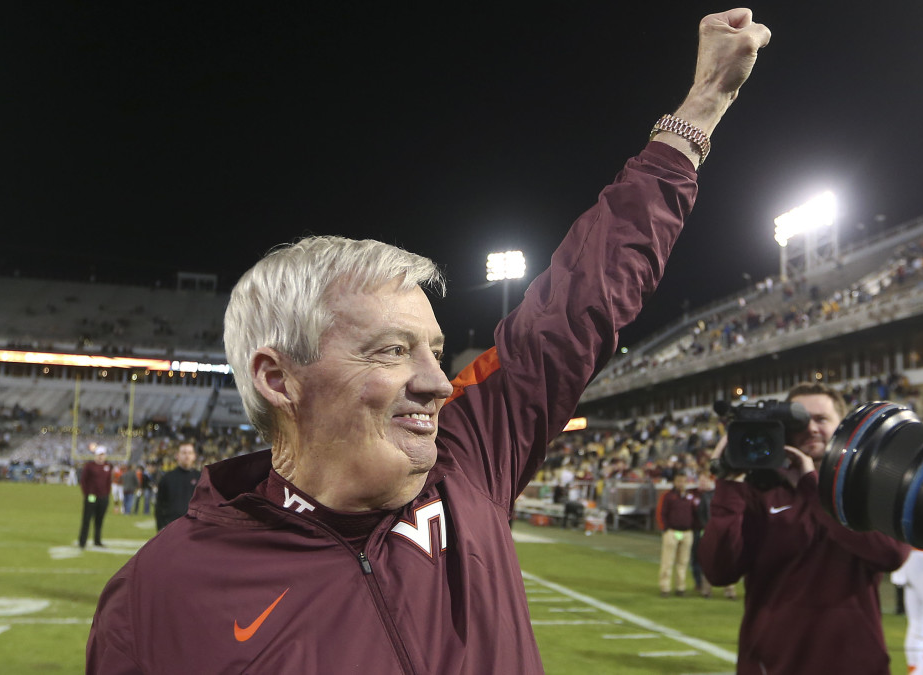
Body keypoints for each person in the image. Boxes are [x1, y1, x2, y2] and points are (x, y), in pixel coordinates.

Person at [88, 9, 770, 673]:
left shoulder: (468, 462)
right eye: (391, 350)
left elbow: (577, 305)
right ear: (278, 378)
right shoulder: (158, 598)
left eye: (435, 352)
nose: (439, 383)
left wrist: (702, 108)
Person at [698, 383, 911, 675]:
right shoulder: (761, 491)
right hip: (774, 665)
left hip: (856, 664)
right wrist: (729, 484)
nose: (811, 428)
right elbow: (718, 571)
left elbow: (891, 553)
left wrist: (811, 486)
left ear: (843, 427)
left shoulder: (864, 488)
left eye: (822, 419)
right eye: (799, 420)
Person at [656, 471, 698, 597]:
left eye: (684, 481)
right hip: (672, 531)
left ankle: (681, 587)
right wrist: (665, 529)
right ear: (674, 482)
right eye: (679, 481)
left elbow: (695, 513)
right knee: (667, 561)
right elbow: (661, 513)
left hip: (687, 532)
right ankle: (665, 588)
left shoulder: (690, 497)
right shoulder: (668, 496)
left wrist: (693, 528)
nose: (681, 484)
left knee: (683, 562)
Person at [154, 442, 199, 531]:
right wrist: (161, 527)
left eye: (190, 453)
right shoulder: (167, 478)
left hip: (194, 529)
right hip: (172, 529)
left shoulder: (201, 478)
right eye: (184, 453)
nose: (187, 456)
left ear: (194, 456)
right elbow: (159, 505)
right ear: (177, 456)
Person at [79, 446, 112, 548]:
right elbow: (83, 480)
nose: (101, 457)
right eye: (99, 455)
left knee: (99, 520)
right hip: (92, 496)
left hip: (103, 497)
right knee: (87, 519)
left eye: (103, 454)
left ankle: (97, 540)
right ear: (96, 455)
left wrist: (106, 494)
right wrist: (87, 493)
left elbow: (108, 482)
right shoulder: (89, 466)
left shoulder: (107, 466)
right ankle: (82, 541)